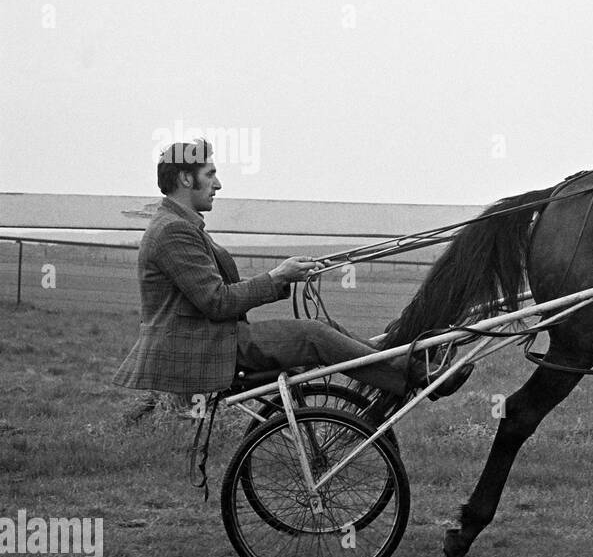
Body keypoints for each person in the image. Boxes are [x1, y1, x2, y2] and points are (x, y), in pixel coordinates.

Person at [112, 139, 458, 404]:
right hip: (207, 349)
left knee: (320, 329)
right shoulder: (175, 230)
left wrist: (284, 276)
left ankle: (404, 364)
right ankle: (414, 372)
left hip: (216, 341)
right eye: (211, 174)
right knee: (311, 334)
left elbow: (216, 295)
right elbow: (217, 301)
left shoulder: (180, 224)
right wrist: (278, 277)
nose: (218, 184)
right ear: (186, 178)